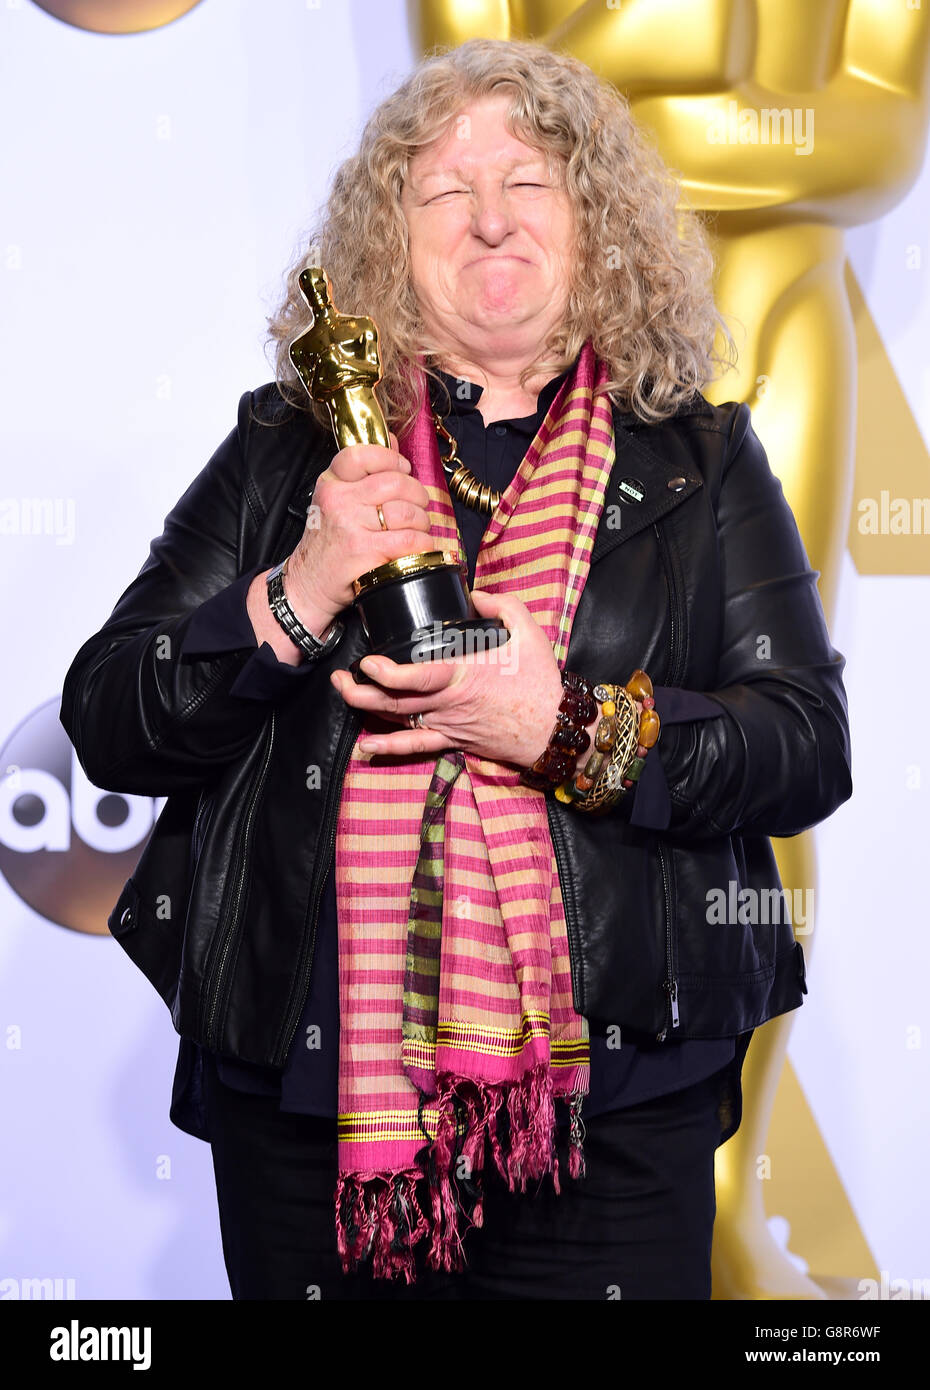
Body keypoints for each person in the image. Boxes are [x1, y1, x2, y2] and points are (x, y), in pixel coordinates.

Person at [59, 38, 852, 1301]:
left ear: (596, 224)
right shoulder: (284, 451)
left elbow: (804, 743)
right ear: (391, 237)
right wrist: (296, 591)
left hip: (607, 1119)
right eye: (446, 190)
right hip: (313, 1118)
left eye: (529, 183)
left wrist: (565, 723)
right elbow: (111, 714)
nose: (490, 218)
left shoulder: (700, 458)